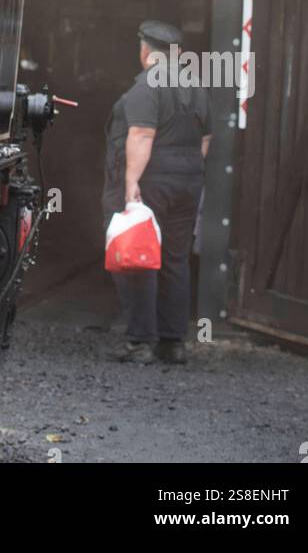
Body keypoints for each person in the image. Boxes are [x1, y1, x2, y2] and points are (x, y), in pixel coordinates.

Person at [102, 20, 212, 364]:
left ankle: (139, 343)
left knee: (141, 257)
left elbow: (142, 135)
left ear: (145, 51)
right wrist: (184, 169)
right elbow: (205, 140)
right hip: (189, 181)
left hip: (153, 182)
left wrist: (132, 181)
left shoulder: (147, 87)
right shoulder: (196, 87)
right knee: (176, 260)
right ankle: (173, 342)